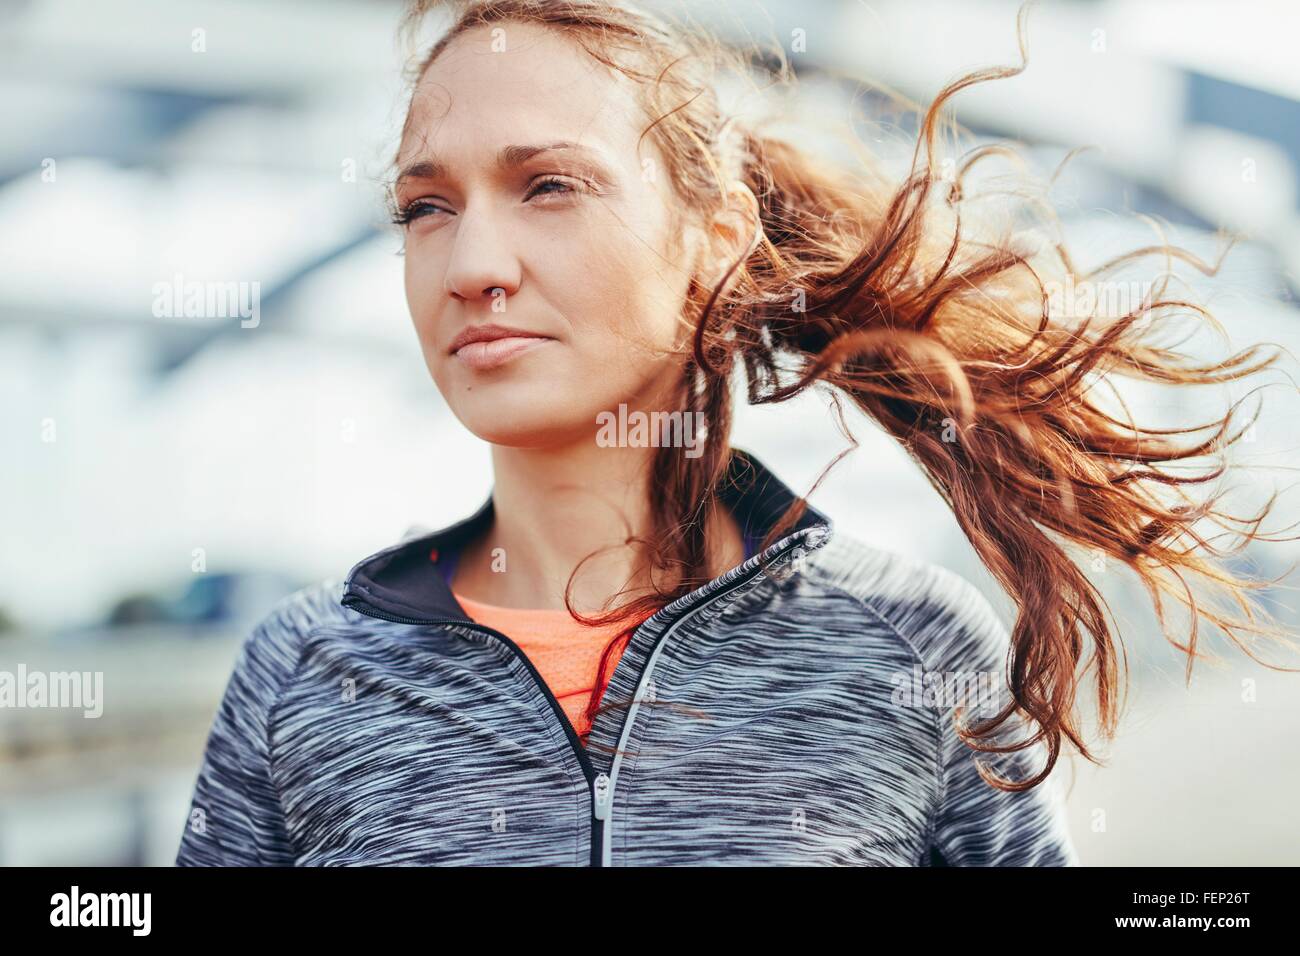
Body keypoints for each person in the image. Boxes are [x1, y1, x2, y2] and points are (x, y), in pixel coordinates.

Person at [175, 0, 1295, 866]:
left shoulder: (912, 646)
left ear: (713, 238)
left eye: (551, 186)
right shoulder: (303, 672)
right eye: (427, 206)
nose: (471, 266)